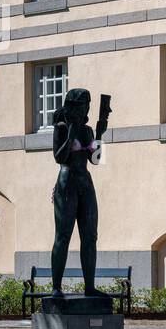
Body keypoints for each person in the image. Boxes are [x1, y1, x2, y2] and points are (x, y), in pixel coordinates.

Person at [50, 88, 110, 295]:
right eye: (84, 104)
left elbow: (96, 160)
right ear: (74, 106)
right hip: (66, 183)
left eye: (88, 105)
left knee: (90, 236)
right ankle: (56, 287)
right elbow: (59, 157)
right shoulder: (61, 127)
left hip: (85, 182)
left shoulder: (88, 131)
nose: (87, 108)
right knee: (63, 235)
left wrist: (100, 133)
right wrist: (70, 134)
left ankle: (90, 287)